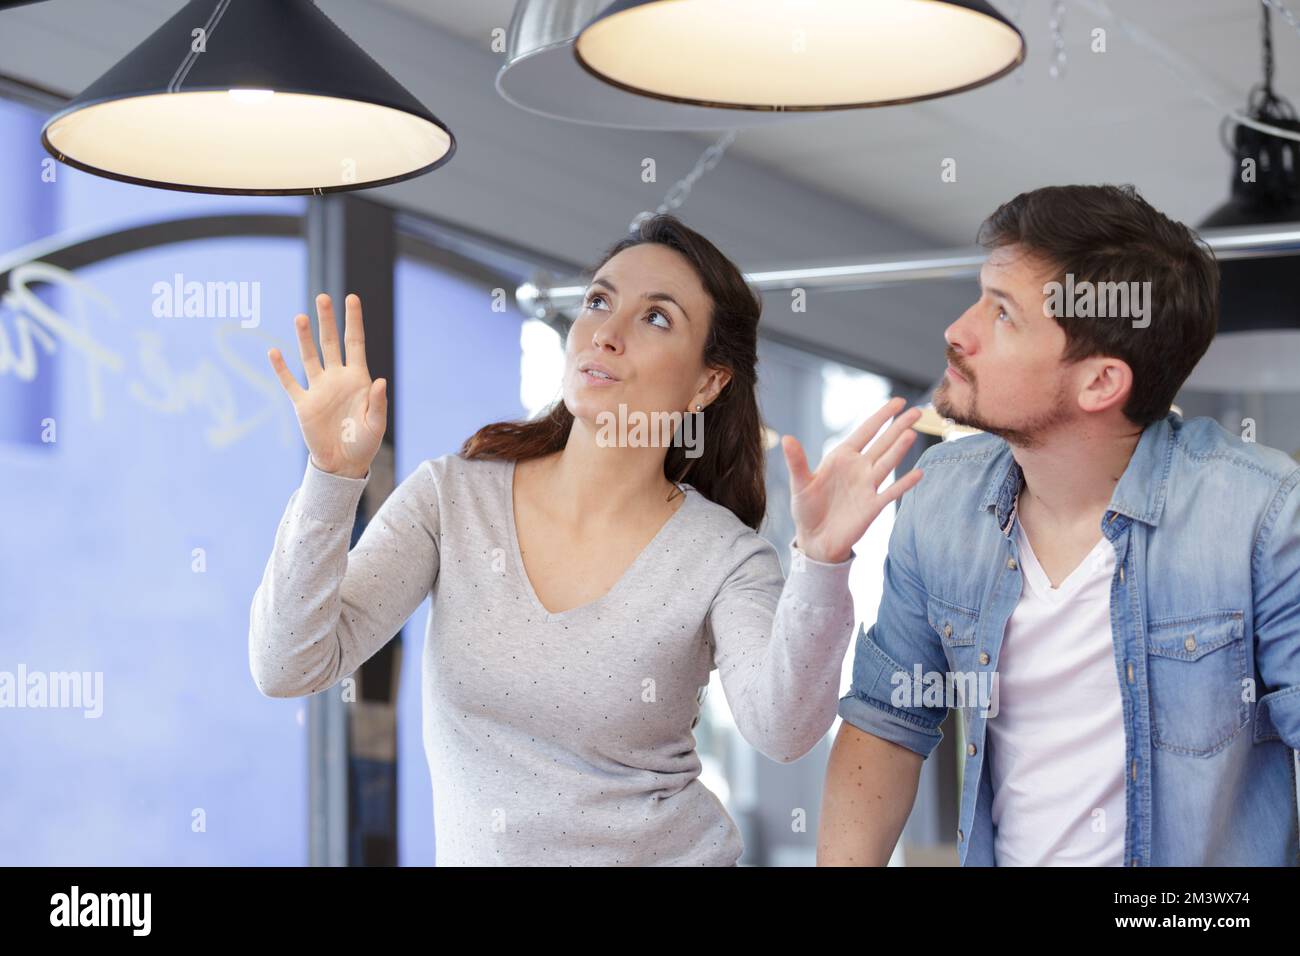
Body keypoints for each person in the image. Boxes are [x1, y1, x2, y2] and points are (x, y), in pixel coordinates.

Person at [249, 213, 924, 865]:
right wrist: (333, 478)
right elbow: (289, 665)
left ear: (708, 382)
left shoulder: (723, 557)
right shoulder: (452, 499)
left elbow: (783, 731)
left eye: (656, 317)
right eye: (599, 301)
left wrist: (823, 563)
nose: (607, 332)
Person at [819, 184, 1300, 867]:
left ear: (1100, 384)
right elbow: (887, 723)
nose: (959, 331)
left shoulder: (1261, 515)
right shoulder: (938, 504)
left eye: (1004, 315)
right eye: (980, 296)